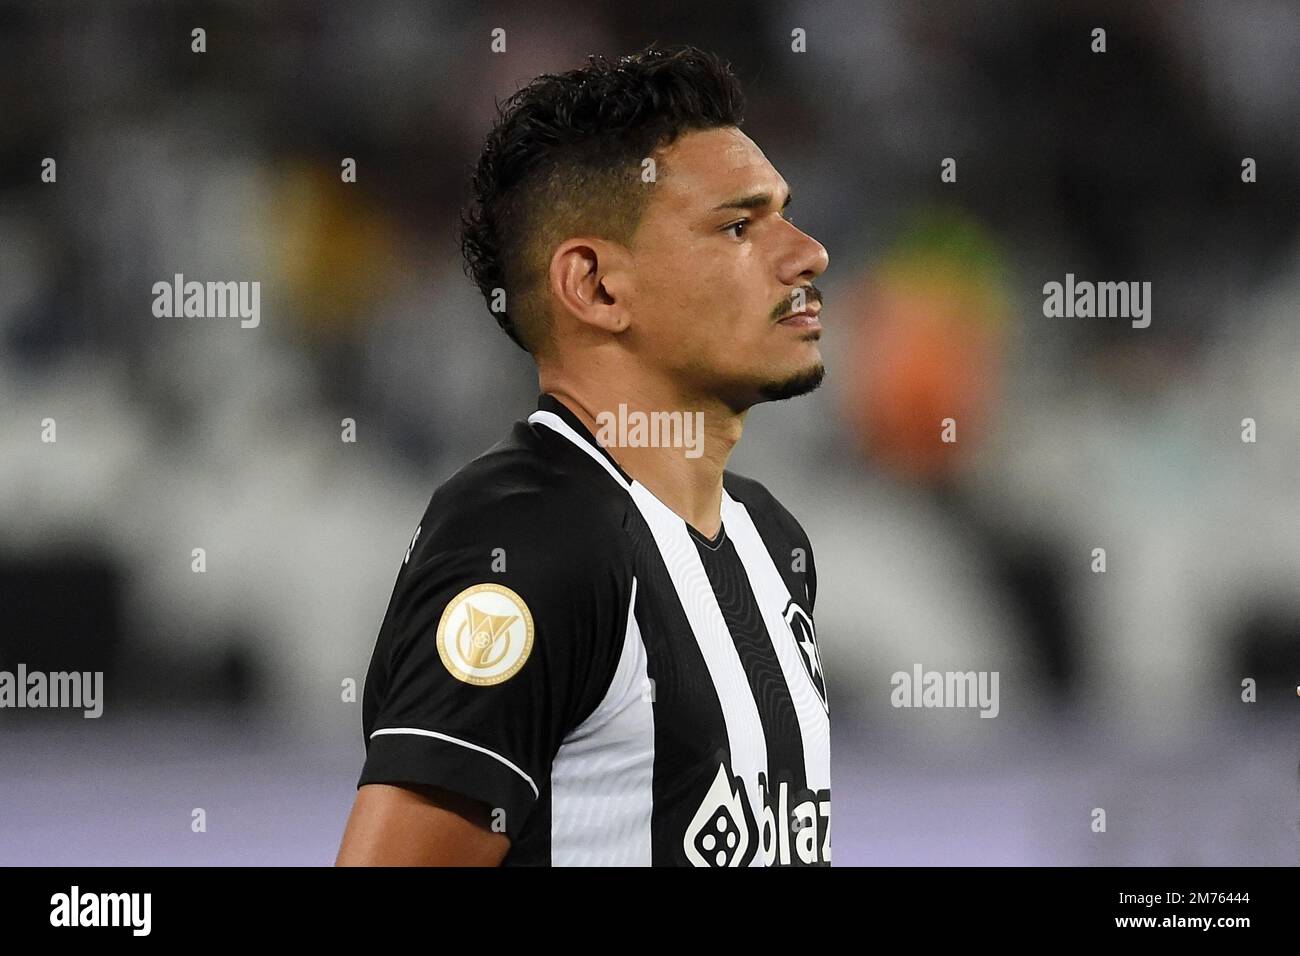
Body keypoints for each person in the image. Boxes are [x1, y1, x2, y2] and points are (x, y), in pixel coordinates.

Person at [336, 44, 831, 866]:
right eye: (740, 225)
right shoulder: (529, 541)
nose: (806, 252)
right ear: (597, 287)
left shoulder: (773, 544)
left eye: (785, 212)